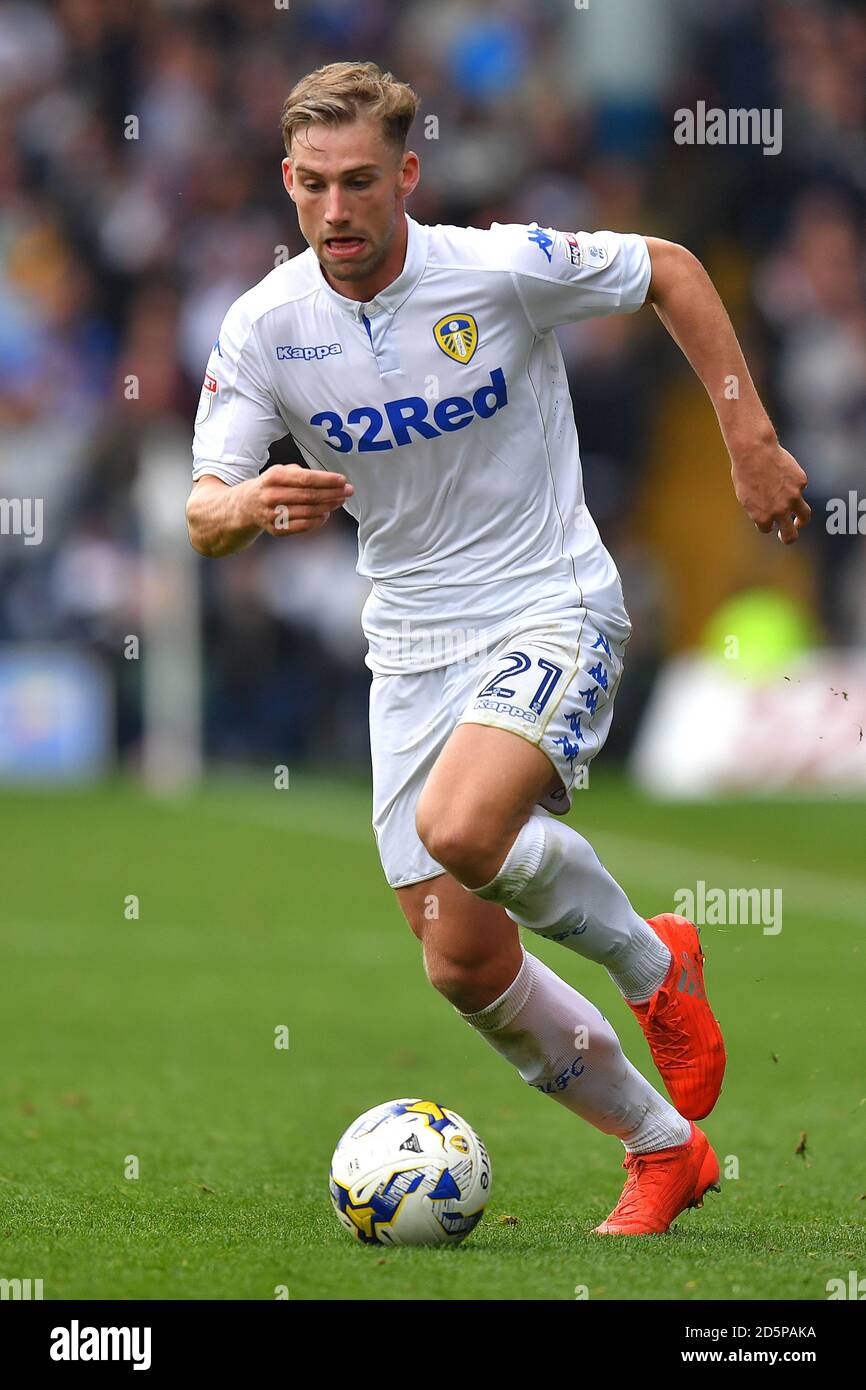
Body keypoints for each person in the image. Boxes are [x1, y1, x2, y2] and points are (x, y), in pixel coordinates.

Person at [186, 61, 810, 1235]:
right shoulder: (264, 326)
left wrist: (749, 440)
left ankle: (650, 964)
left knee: (464, 827)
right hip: (409, 645)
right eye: (313, 184)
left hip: (547, 600)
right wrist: (243, 505)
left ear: (405, 177)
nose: (336, 210)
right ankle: (662, 1148)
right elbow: (202, 508)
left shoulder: (495, 269)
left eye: (360, 181)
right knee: (463, 965)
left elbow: (668, 270)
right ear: (286, 181)